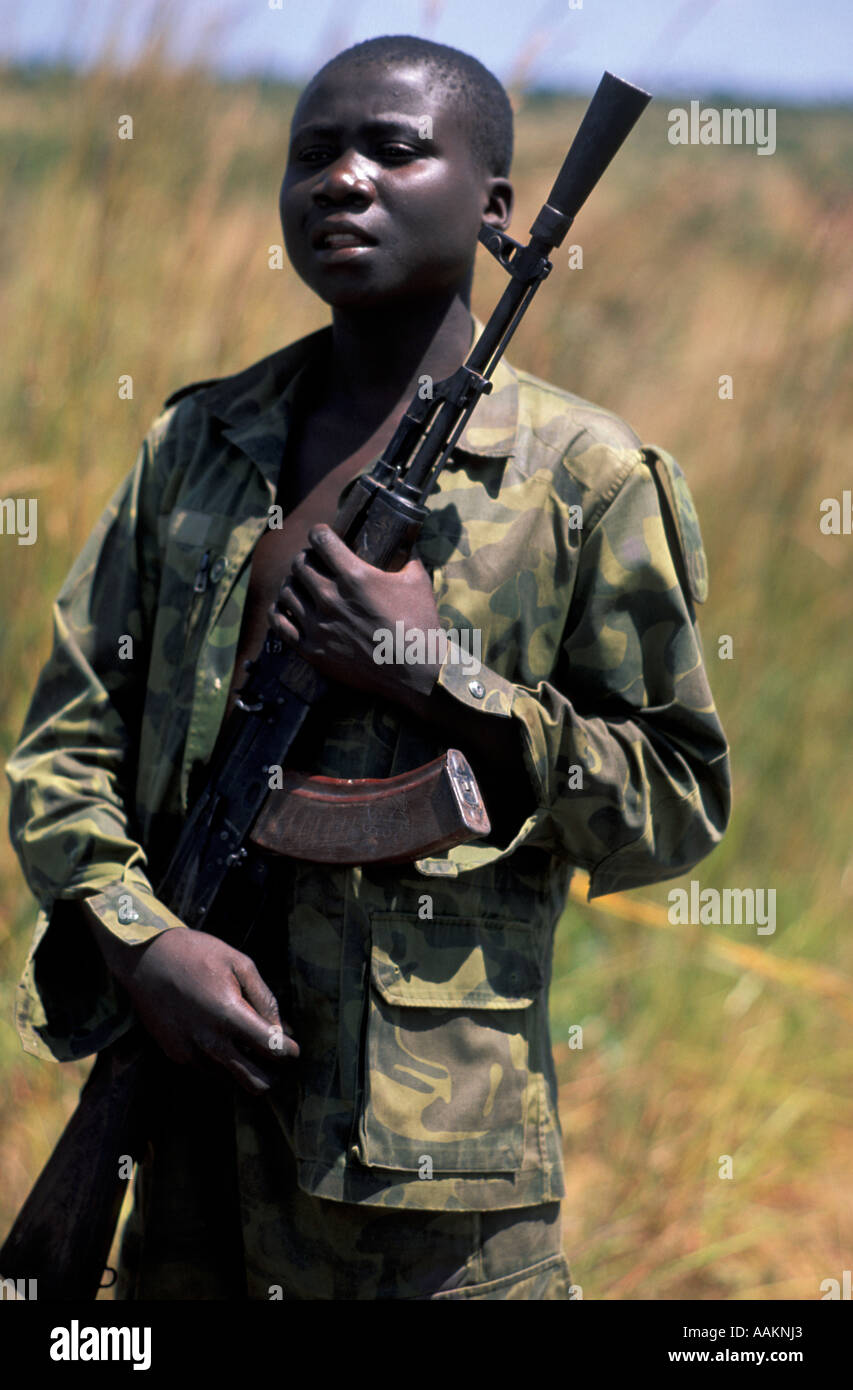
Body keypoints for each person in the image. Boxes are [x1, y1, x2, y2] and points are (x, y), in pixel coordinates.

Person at [6, 35, 730, 1300]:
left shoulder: (583, 479)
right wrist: (136, 938)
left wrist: (438, 674)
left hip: (427, 1178)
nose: (342, 180)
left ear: (498, 208)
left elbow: (675, 796)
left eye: (394, 149)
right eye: (311, 154)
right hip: (185, 1131)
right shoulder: (198, 443)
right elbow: (64, 745)